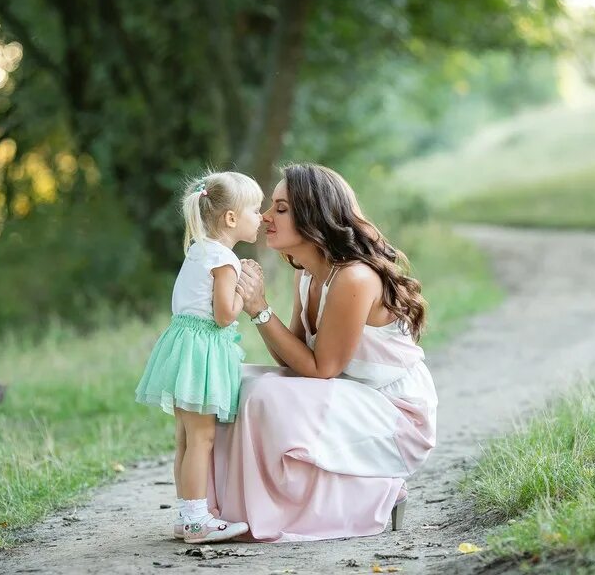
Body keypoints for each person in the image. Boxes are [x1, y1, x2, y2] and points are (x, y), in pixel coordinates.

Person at [208, 163, 438, 542]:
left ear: (314, 216)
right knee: (234, 381)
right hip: (348, 395)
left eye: (281, 208)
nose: (266, 216)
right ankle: (224, 513)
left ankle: (376, 489)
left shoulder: (354, 277)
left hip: (395, 415)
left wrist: (259, 309)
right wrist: (257, 309)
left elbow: (320, 369)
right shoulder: (307, 273)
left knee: (264, 394)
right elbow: (293, 358)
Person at [135, 171, 263, 544]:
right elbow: (224, 315)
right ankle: (196, 521)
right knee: (202, 438)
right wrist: (244, 291)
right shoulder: (225, 260)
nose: (261, 217)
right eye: (255, 210)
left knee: (186, 439)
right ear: (231, 218)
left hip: (182, 349)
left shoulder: (199, 249)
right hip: (202, 353)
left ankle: (186, 514)